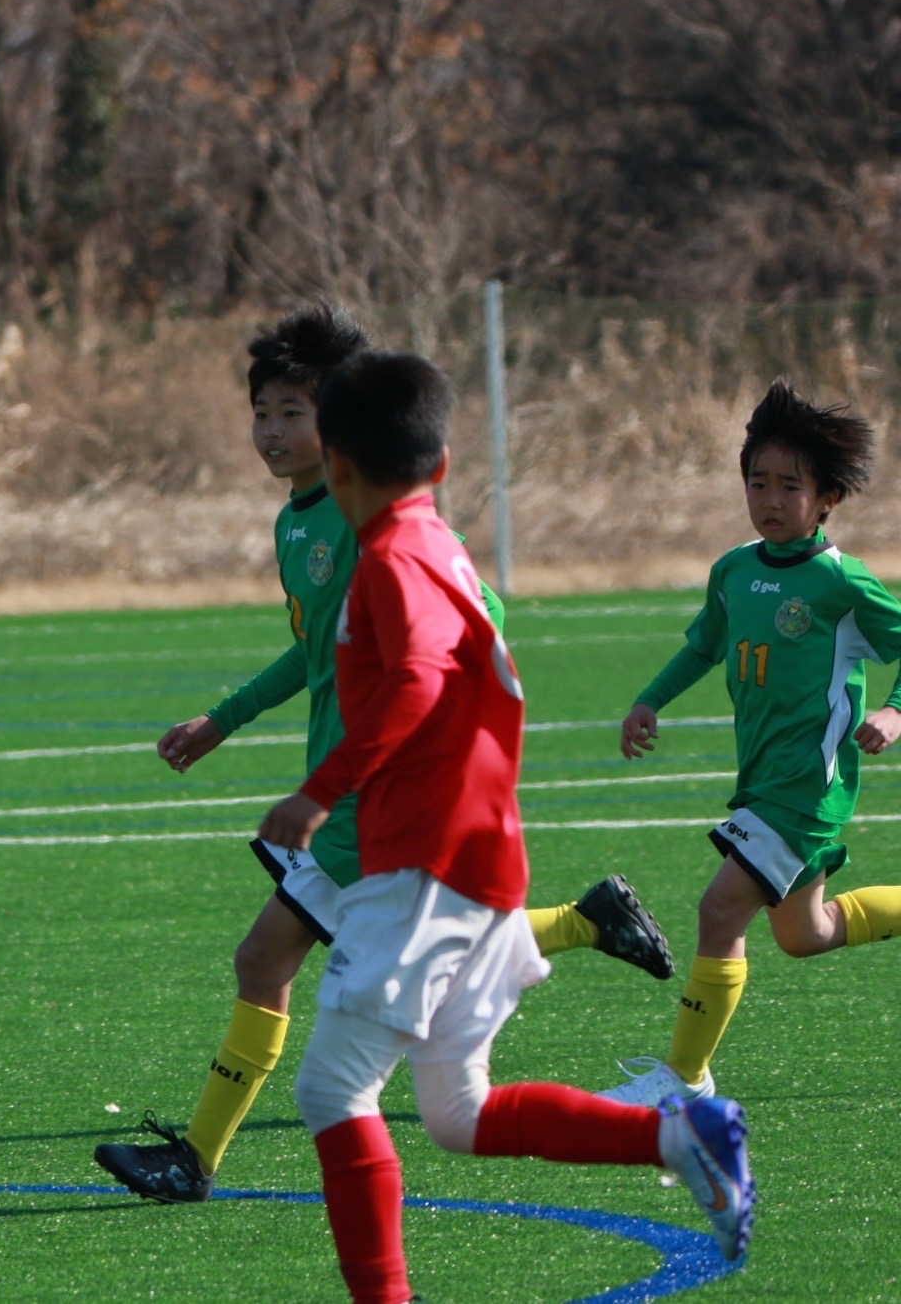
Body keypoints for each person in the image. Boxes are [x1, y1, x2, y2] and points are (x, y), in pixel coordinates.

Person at [95, 304, 673, 1204]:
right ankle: (593, 929)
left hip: (370, 801)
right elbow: (314, 646)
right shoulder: (302, 525)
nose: (274, 430)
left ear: (344, 429)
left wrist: (329, 780)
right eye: (264, 411)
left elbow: (464, 614)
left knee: (280, 977)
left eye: (297, 411)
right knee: (419, 1056)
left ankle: (197, 1159)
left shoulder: (373, 525)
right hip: (367, 795)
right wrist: (224, 720)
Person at [258, 352, 751, 1302]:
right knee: (457, 1111)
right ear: (441, 466)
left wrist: (319, 791)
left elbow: (416, 679)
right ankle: (678, 1133)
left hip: (426, 863)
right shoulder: (442, 543)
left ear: (338, 465)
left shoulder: (391, 561)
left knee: (330, 1092)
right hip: (480, 860)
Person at [601, 378, 901, 1107]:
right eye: (757, 482)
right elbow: (704, 646)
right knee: (806, 933)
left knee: (720, 908)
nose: (769, 498)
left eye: (788, 486)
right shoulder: (734, 569)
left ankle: (684, 1080)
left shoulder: (841, 582)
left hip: (809, 782)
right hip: (762, 777)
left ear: (826, 497)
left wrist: (895, 712)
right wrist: (648, 699)